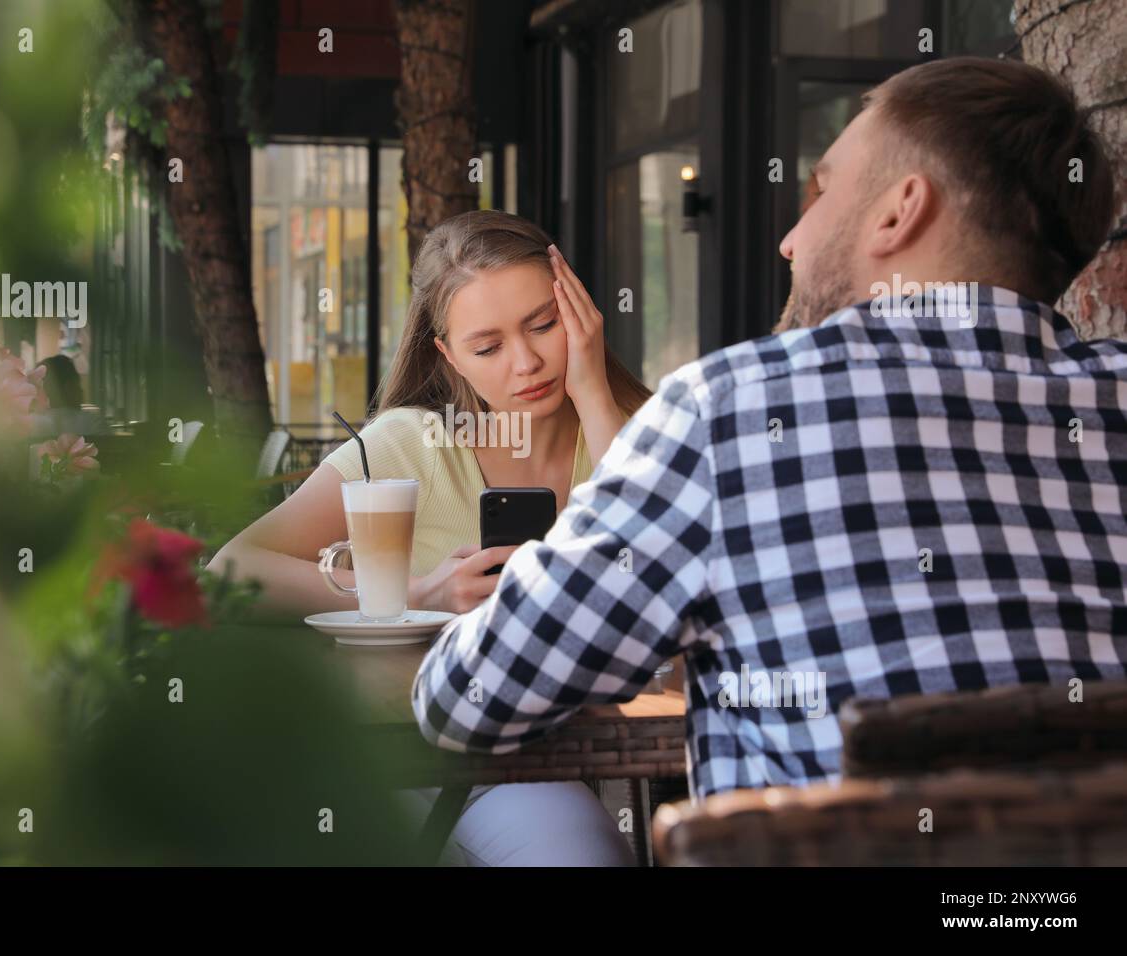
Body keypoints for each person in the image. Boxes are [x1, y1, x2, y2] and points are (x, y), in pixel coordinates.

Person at [412, 57, 1127, 801]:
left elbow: (466, 698)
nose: (789, 240)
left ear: (899, 211)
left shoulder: (737, 409)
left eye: (820, 193)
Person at [209, 209, 651, 865]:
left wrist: (593, 393)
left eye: (544, 324)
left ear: (581, 313)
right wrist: (417, 594)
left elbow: (654, 562)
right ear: (446, 354)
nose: (527, 363)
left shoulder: (635, 431)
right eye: (488, 347)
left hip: (536, 766)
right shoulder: (409, 443)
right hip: (393, 758)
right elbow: (229, 572)